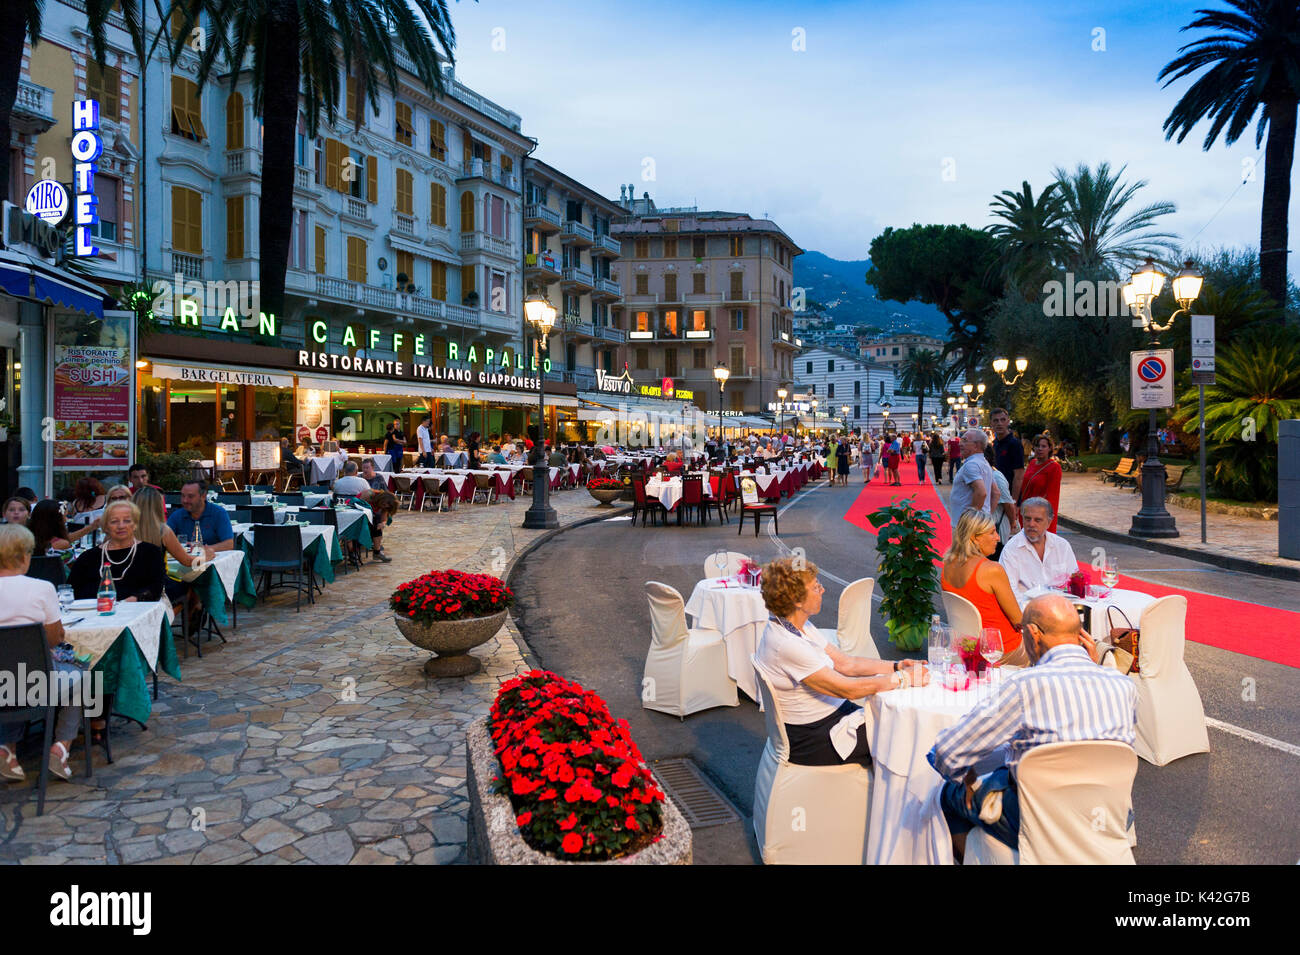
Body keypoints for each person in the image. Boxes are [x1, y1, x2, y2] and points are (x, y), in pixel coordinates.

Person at [927, 593, 1136, 856]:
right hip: (1110, 817)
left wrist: (966, 774)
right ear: (1079, 635)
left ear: (1034, 633)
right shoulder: (1123, 686)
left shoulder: (1025, 686)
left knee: (948, 794)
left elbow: (948, 753)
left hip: (1038, 822)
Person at [754, 556, 927, 767]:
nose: (823, 590)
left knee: (904, 725)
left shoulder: (796, 626)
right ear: (797, 601)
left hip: (829, 720)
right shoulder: (787, 644)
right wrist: (902, 679)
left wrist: (896, 666)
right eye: (816, 587)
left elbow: (847, 664)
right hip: (815, 738)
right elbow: (848, 689)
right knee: (911, 735)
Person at [0, 524, 86, 783]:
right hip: (36, 681)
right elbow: (54, 639)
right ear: (26, 556)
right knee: (83, 675)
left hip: (4, 683)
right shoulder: (42, 588)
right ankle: (61, 747)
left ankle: (8, 750)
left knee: (12, 676)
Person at [940, 509, 1027, 666]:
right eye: (992, 532)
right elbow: (1018, 620)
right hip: (1002, 650)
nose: (998, 537)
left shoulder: (947, 565)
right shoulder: (991, 570)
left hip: (967, 647)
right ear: (975, 538)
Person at [69, 499, 166, 604]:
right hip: (93, 613)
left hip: (135, 612)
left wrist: (127, 602)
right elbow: (72, 590)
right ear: (105, 526)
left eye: (127, 520)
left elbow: (155, 587)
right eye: (114, 521)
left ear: (135, 524)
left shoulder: (150, 553)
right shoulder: (88, 557)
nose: (121, 526)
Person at [134, 486, 209, 601]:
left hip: (131, 586)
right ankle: (168, 616)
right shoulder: (163, 531)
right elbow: (188, 562)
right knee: (191, 587)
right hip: (157, 588)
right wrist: (206, 556)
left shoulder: (125, 531)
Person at [998, 497, 1078, 603]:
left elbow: (1074, 583)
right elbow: (1009, 594)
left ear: (1049, 522)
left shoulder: (1062, 546)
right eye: (1027, 519)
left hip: (1060, 609)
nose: (1031, 524)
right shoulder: (1011, 550)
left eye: (1037, 520)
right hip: (1027, 612)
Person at [949, 429, 999, 529]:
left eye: (964, 440)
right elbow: (996, 493)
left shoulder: (971, 465)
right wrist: (987, 516)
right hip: (980, 523)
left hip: (966, 527)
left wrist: (970, 522)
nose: (960, 444)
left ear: (976, 446)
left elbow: (981, 492)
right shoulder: (984, 463)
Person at [165, 480, 234, 553]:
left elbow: (229, 544)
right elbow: (164, 539)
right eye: (183, 496)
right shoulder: (177, 515)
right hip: (183, 560)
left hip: (214, 561)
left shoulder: (218, 513)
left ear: (203, 496)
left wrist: (201, 549)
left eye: (190, 496)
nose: (185, 500)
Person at [1018, 434, 1063, 533]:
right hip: (1025, 510)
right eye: (1037, 446)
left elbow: (1052, 496)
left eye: (1043, 446)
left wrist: (1045, 518)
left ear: (1050, 448)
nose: (1040, 449)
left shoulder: (1054, 468)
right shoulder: (1032, 463)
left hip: (1039, 514)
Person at [359, 459, 397, 563]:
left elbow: (386, 494)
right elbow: (360, 499)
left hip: (378, 503)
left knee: (378, 520)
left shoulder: (379, 478)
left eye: (367, 468)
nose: (365, 470)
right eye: (364, 468)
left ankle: (376, 549)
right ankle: (375, 548)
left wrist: (383, 522)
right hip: (363, 506)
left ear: (372, 468)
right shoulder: (360, 479)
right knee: (375, 519)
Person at [29, 499, 95, 552]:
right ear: (56, 521)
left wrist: (90, 527)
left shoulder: (30, 538)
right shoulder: (61, 544)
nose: (66, 520)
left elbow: (66, 538)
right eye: (65, 516)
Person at [990, 408, 1025, 500]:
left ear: (1008, 422)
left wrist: (1014, 501)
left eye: (1003, 420)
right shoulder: (995, 444)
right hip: (996, 496)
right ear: (991, 423)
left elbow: (1019, 476)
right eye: (996, 420)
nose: (999, 423)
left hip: (1009, 498)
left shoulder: (1015, 444)